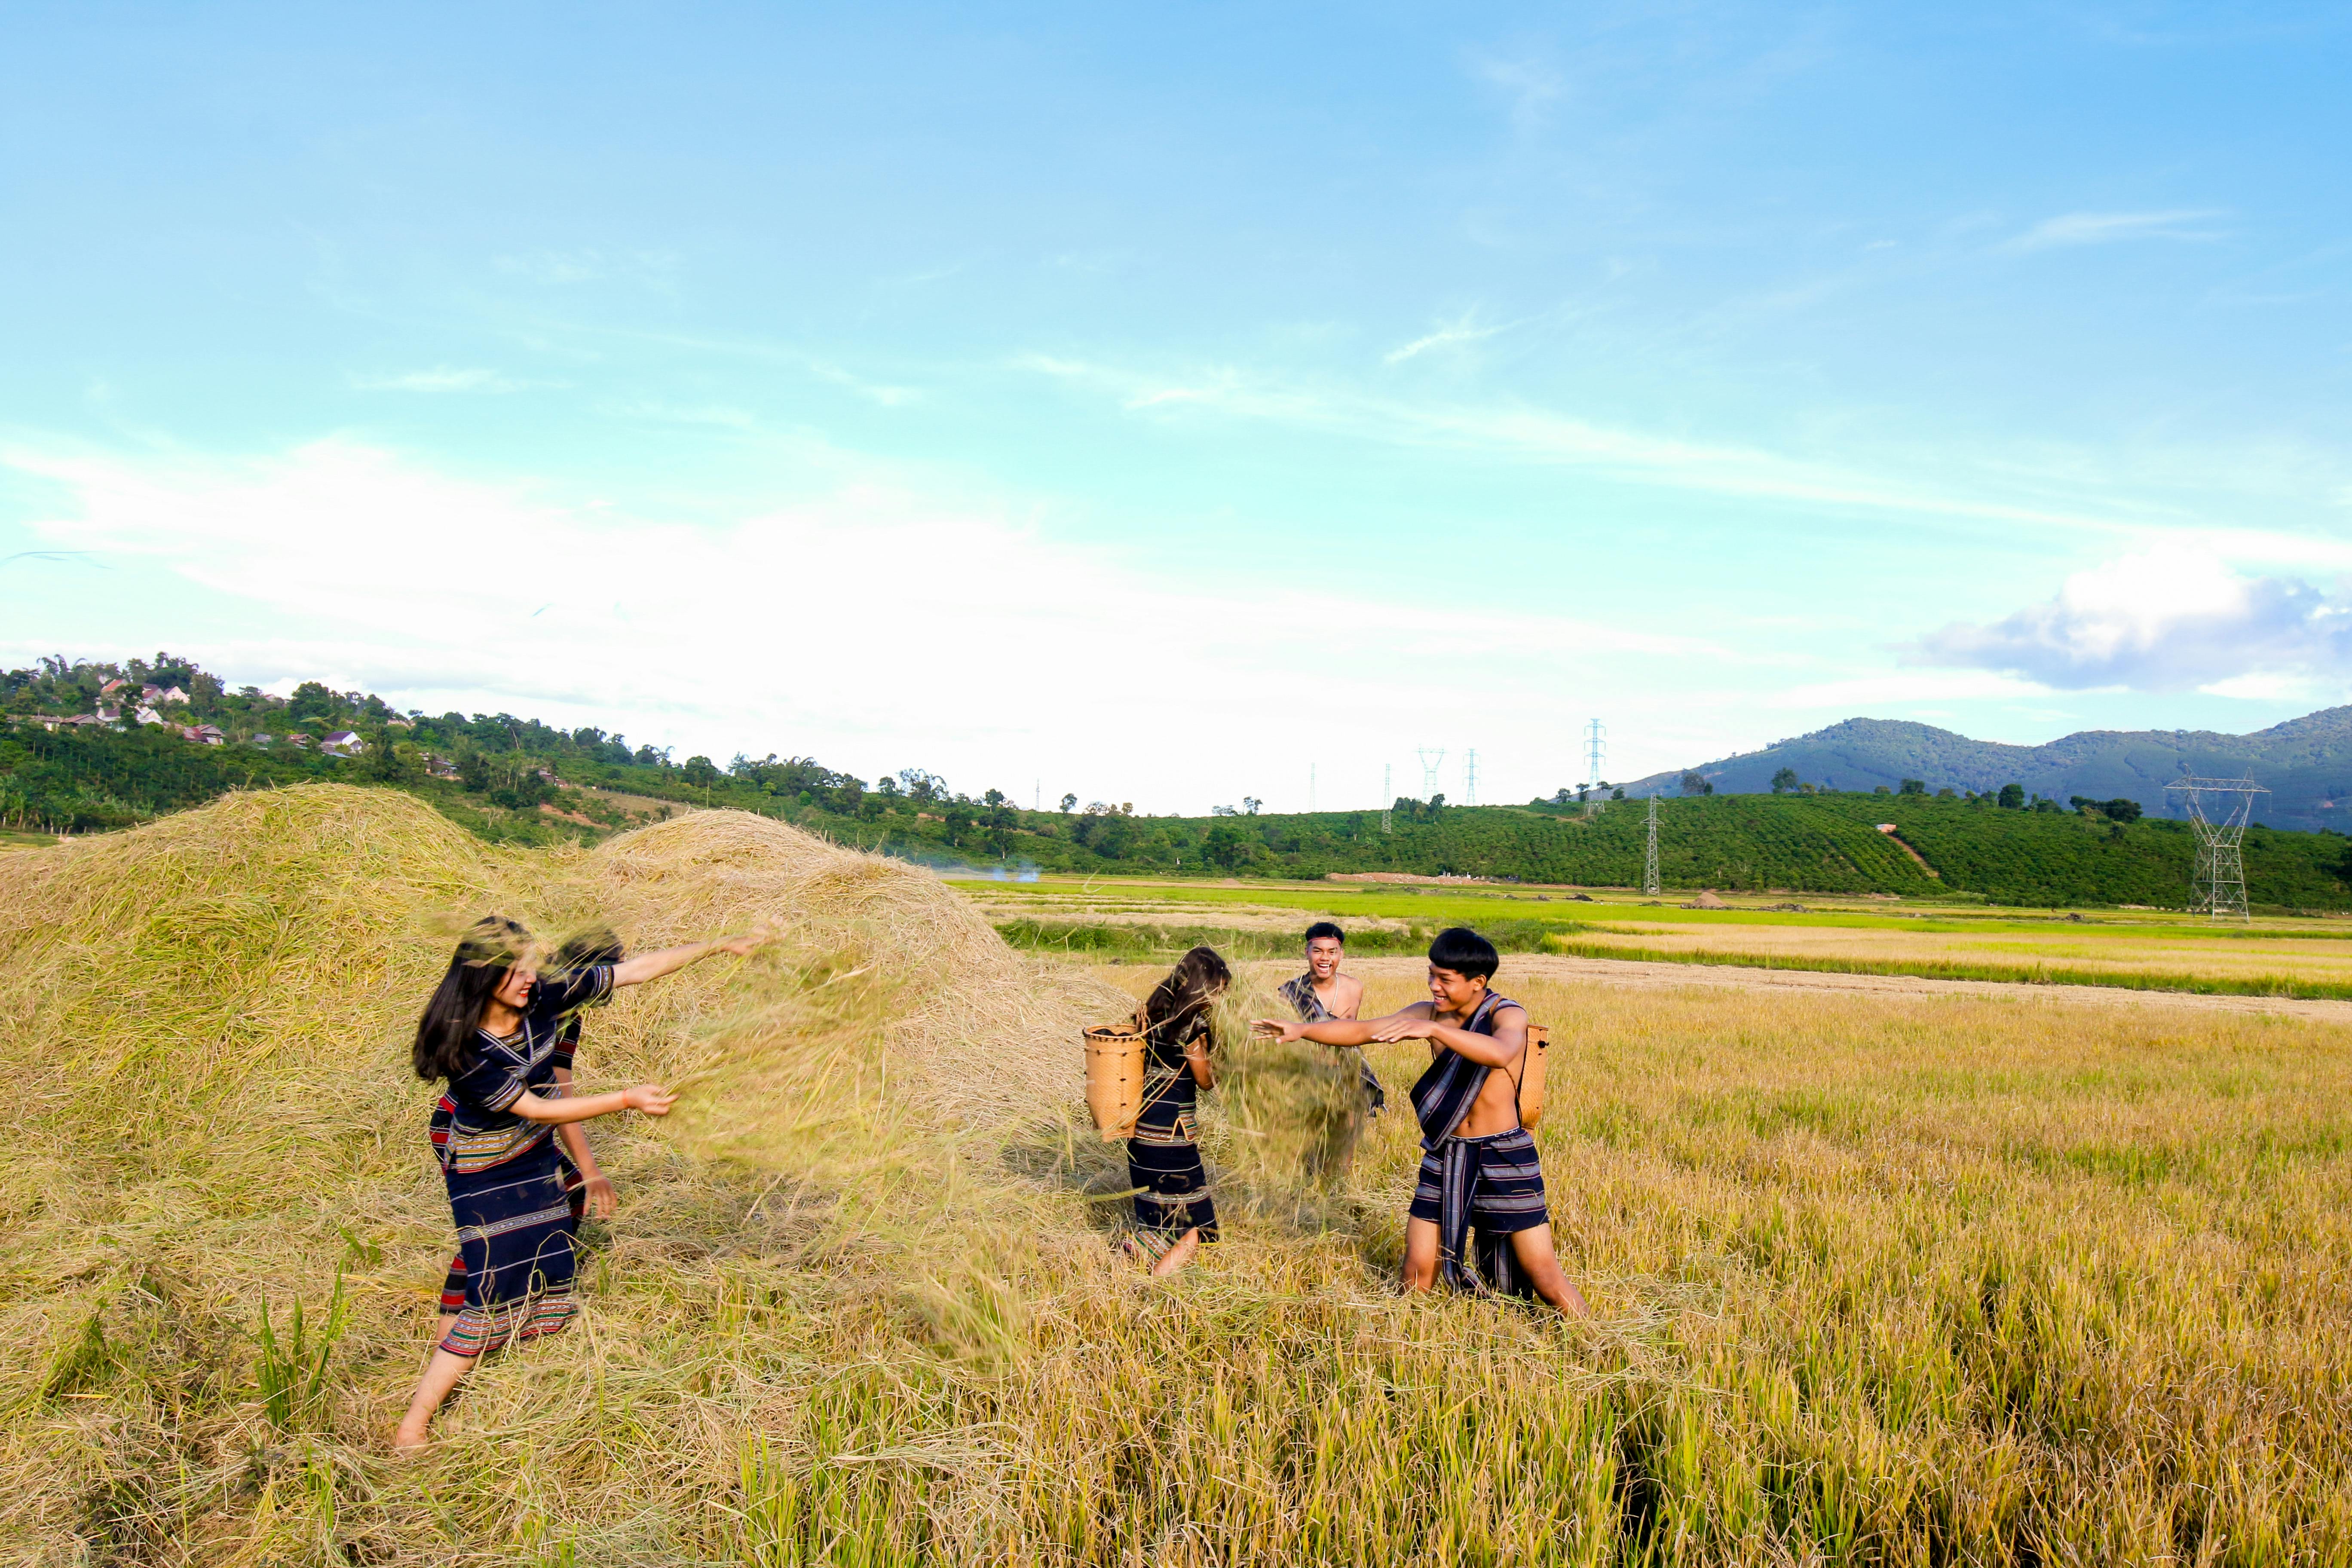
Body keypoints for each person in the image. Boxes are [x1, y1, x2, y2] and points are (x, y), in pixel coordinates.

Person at [395, 917, 766, 1450]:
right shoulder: (467, 1052)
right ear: (484, 977)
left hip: (531, 1148)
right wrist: (625, 1101)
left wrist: (718, 942)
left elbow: (634, 971)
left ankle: (453, 1333)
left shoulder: (546, 999)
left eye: (531, 965)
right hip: (485, 1167)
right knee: (498, 1279)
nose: (530, 977)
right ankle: (414, 1425)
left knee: (525, 1252)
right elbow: (540, 1105)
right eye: (517, 970)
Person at [1256, 927, 1589, 1314]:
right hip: (1445, 1153)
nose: (1434, 986)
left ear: (1478, 982)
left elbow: (1502, 1052)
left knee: (1543, 1274)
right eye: (1431, 974)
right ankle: (1405, 1336)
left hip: (1504, 1154)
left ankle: (1590, 1338)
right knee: (1416, 1272)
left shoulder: (1506, 1013)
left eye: (1445, 979)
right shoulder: (1428, 1012)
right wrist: (1302, 1030)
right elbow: (1364, 1031)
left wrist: (1433, 1030)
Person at [431, 931, 625, 1344]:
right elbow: (557, 1098)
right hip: (475, 1131)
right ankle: (470, 1317)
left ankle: (523, 1294)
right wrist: (590, 1169)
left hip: (511, 1123)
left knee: (549, 1203)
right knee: (502, 1223)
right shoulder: (549, 1007)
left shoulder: (545, 1000)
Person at [1121, 945, 1231, 1278]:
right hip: (1172, 1135)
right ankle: (1158, 1287)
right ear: (1204, 986)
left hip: (1140, 1127)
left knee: (1158, 1206)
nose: (1218, 999)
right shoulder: (1192, 1026)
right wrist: (1225, 1061)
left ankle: (1135, 1251)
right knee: (1195, 1227)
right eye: (1218, 990)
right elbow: (1205, 1080)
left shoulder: (1151, 1012)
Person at [1277, 921, 1383, 1115]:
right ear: (1307, 952)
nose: (1325, 958)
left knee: (1348, 1135)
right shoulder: (1291, 993)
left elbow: (1352, 1034)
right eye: (1318, 951)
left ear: (1341, 954)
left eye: (1332, 952)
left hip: (1348, 1075)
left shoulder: (1354, 988)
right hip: (1309, 1079)